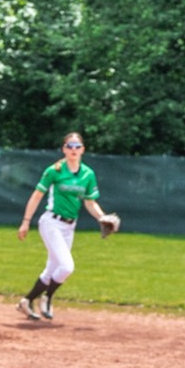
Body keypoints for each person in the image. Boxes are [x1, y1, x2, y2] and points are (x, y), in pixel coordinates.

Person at [16, 132, 112, 321]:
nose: (73, 149)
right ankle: (47, 297)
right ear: (64, 149)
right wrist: (26, 221)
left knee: (52, 269)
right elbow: (37, 195)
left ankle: (26, 301)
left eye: (77, 146)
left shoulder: (88, 174)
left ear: (83, 149)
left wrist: (102, 218)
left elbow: (90, 202)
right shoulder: (54, 171)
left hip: (69, 226)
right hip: (51, 222)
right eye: (70, 146)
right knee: (67, 266)